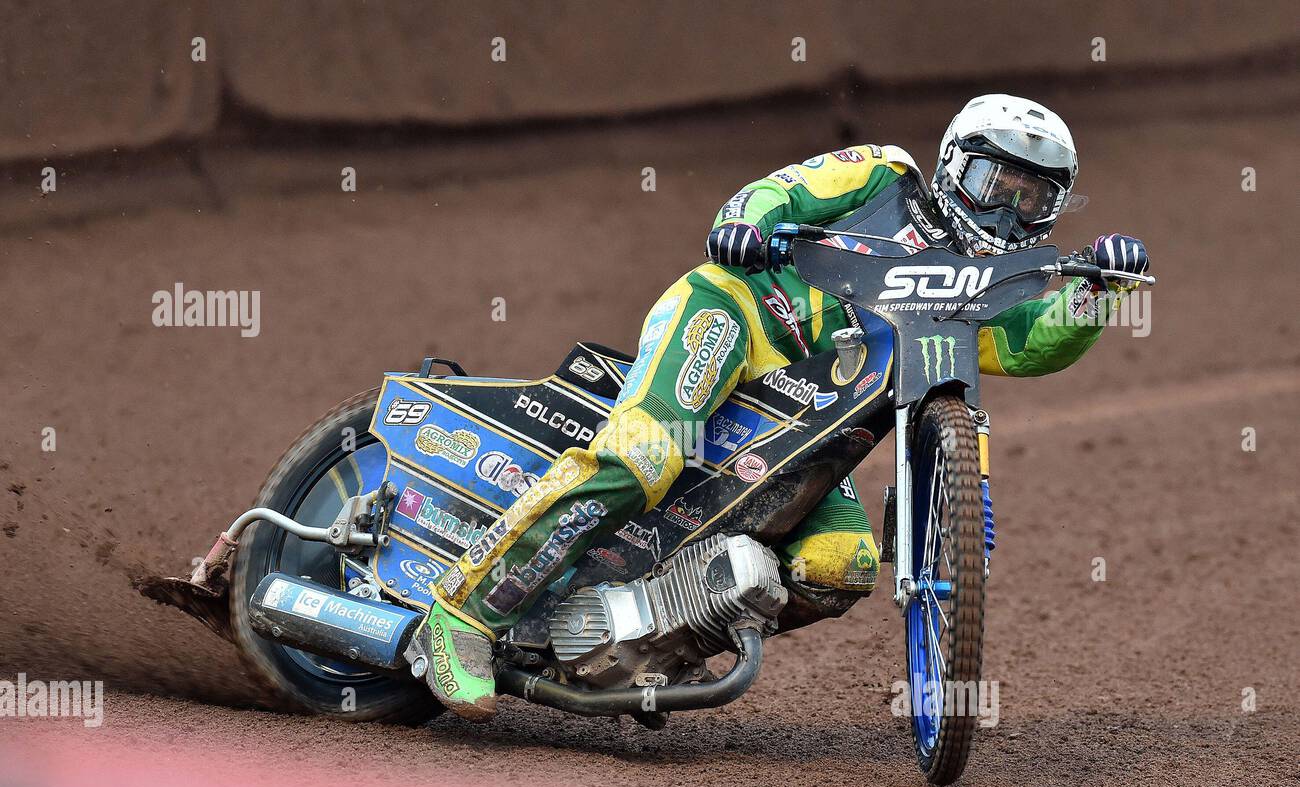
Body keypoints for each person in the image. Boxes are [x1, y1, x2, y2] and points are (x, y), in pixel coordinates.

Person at [413, 93, 1150, 721]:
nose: (1011, 211)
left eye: (1034, 199)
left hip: (817, 408)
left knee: (845, 562)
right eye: (998, 184)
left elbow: (1026, 346)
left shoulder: (982, 286)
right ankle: (463, 613)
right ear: (957, 166)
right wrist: (746, 225)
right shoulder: (887, 175)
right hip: (738, 317)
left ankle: (666, 638)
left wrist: (1100, 291)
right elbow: (780, 190)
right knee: (642, 456)